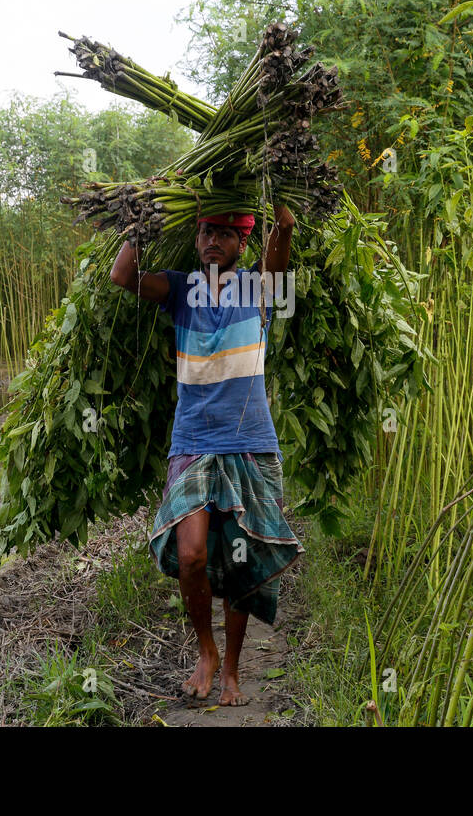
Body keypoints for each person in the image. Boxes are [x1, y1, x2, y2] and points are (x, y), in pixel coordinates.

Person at [109, 205, 303, 705]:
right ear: (194, 240)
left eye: (224, 234)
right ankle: (206, 650)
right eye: (205, 233)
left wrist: (282, 223)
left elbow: (278, 252)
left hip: (250, 440)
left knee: (241, 559)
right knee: (192, 553)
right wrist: (139, 223)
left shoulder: (258, 288)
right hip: (194, 440)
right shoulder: (179, 289)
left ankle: (234, 670)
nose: (212, 241)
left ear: (242, 245)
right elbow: (122, 275)